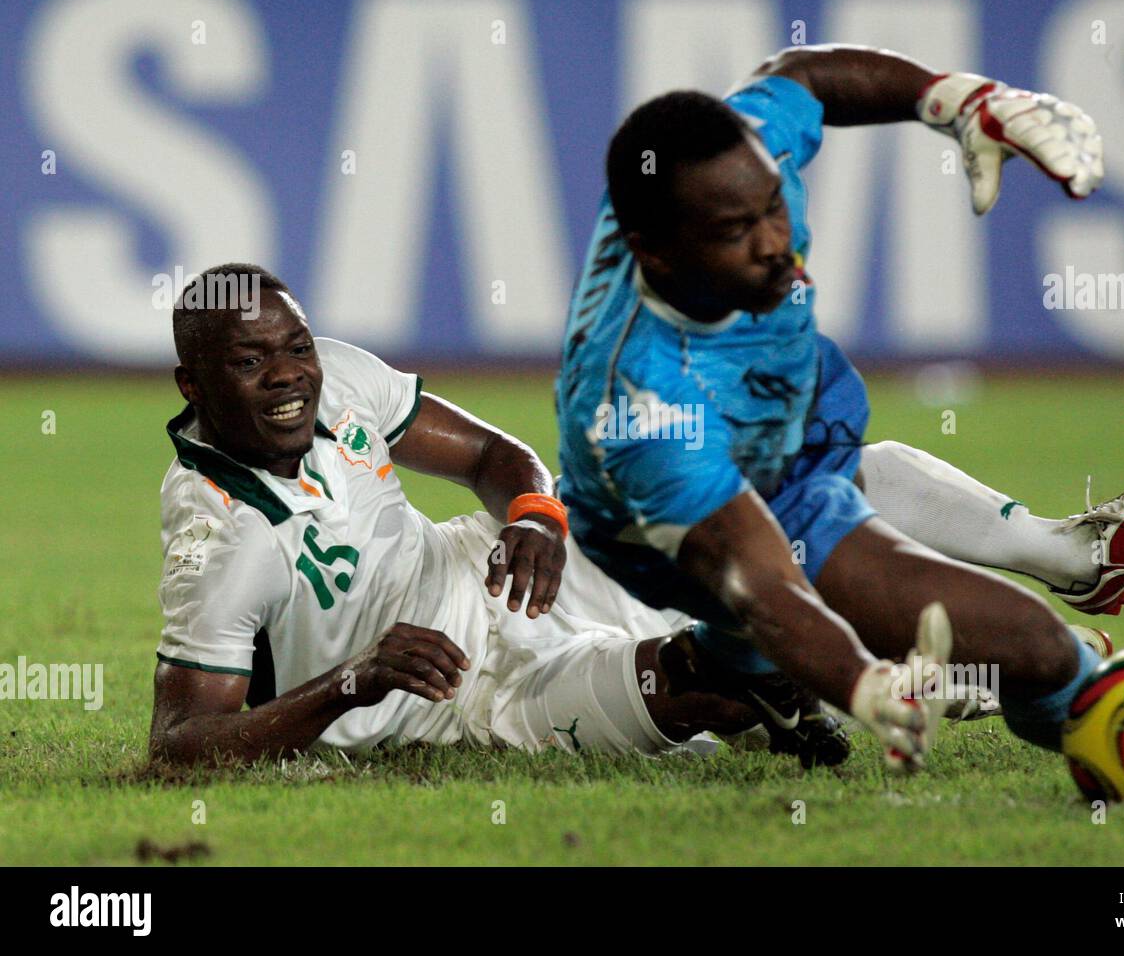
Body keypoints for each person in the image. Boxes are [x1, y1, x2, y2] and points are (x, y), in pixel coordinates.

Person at [555, 44, 1124, 770]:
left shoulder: (733, 167)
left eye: (775, 205)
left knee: (1037, 647)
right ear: (651, 254)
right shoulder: (646, 411)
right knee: (1017, 645)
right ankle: (758, 662)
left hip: (773, 419)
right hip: (658, 528)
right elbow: (762, 584)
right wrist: (860, 681)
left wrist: (962, 101)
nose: (777, 243)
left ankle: (753, 672)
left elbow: (801, 77)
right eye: (735, 232)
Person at [148, 264, 761, 764]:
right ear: (192, 385)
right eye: (249, 363)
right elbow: (180, 742)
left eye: (297, 347)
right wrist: (352, 680)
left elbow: (490, 454)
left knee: (687, 492)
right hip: (475, 694)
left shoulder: (341, 379)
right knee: (709, 689)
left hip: (503, 570)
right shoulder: (219, 535)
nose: (289, 375)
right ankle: (766, 679)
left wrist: (536, 516)